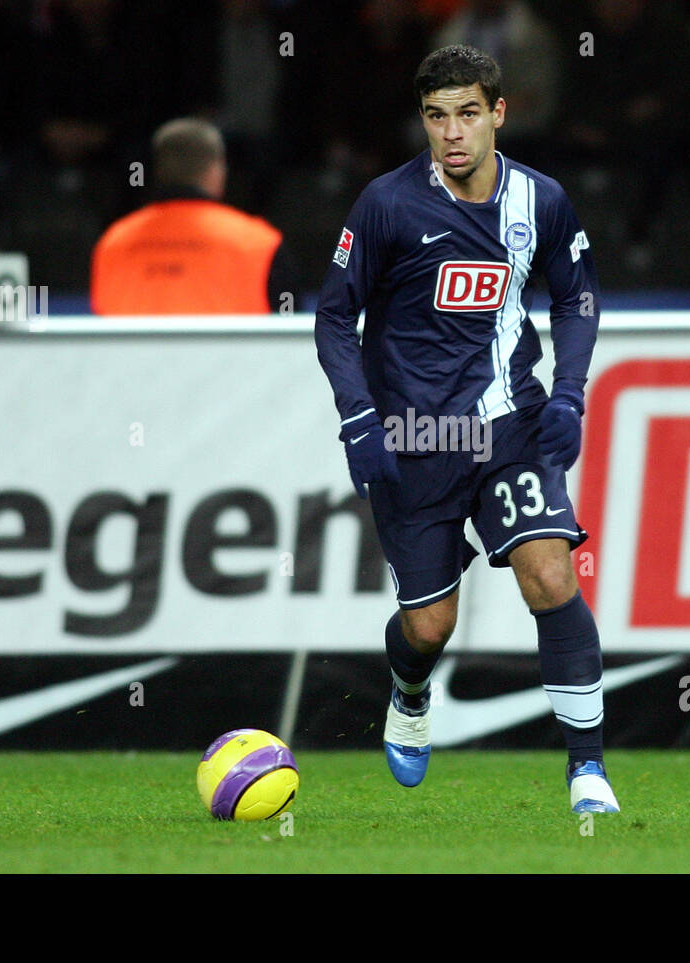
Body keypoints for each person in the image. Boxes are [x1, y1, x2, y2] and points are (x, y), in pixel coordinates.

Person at [313, 45, 615, 814]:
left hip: (509, 426)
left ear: (498, 114)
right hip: (416, 439)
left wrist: (570, 396)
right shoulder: (386, 205)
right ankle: (409, 691)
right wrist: (358, 420)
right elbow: (334, 316)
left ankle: (588, 772)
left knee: (551, 574)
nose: (452, 133)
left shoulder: (540, 201)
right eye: (437, 117)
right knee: (429, 624)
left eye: (468, 114)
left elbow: (576, 297)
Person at [90, 117, 291, 314]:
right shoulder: (261, 243)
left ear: (157, 171)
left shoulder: (113, 242)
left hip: (132, 349)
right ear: (216, 169)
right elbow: (290, 331)